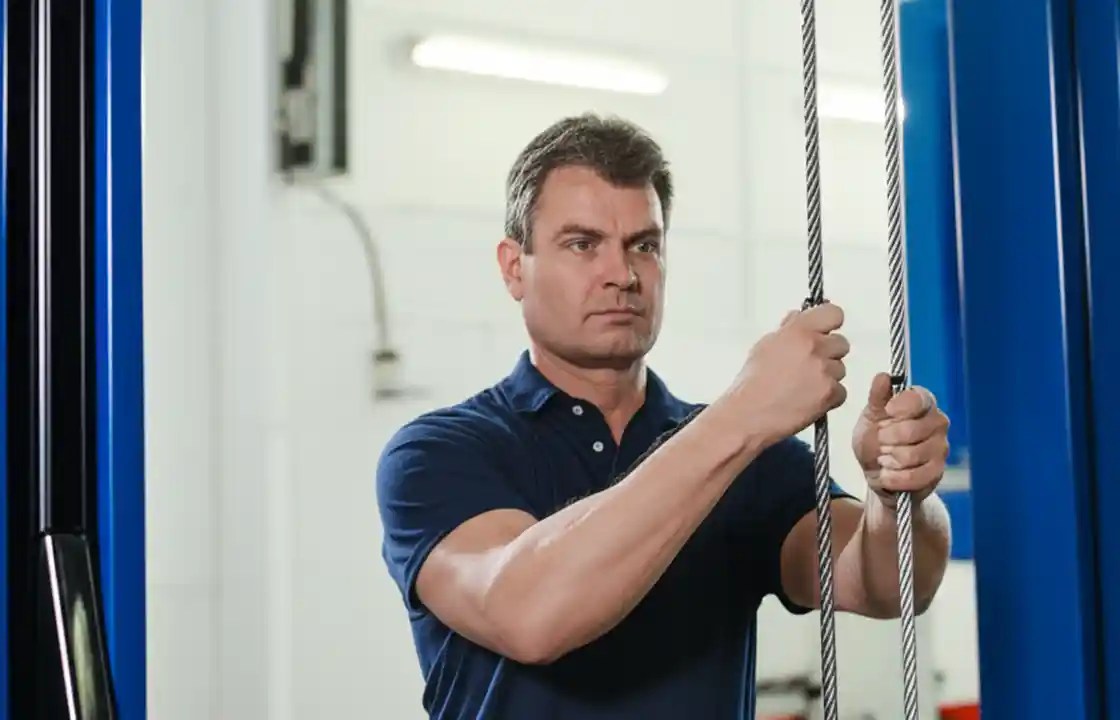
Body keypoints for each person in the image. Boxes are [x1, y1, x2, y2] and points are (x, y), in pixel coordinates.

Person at [375, 113, 953, 719]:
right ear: (514, 267)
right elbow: (529, 616)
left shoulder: (754, 460)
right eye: (582, 244)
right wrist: (743, 414)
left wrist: (898, 493)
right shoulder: (442, 453)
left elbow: (886, 584)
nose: (622, 275)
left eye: (643, 246)